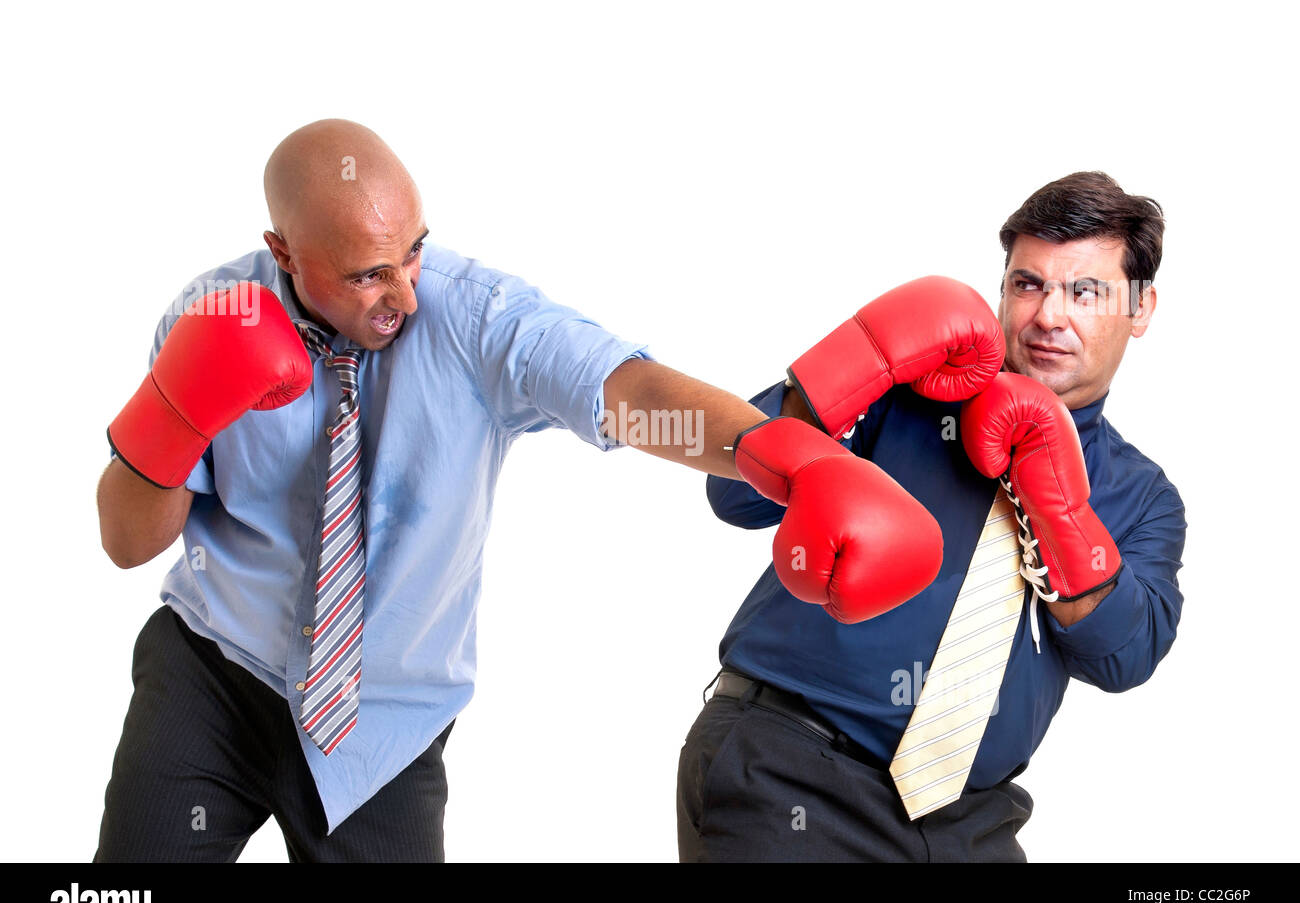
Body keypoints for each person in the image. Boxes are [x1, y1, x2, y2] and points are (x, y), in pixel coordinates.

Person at [93, 119, 975, 862]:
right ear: (283, 249)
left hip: (386, 718)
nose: (403, 292)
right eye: (367, 274)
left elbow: (634, 396)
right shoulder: (209, 318)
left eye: (414, 253)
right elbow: (127, 541)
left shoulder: (473, 316)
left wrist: (788, 456)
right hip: (212, 671)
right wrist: (181, 412)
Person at [678, 171, 1186, 862]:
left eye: (1084, 291)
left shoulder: (1142, 495)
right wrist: (858, 357)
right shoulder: (907, 390)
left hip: (970, 826)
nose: (1048, 317)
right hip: (792, 772)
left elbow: (1125, 657)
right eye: (1027, 283)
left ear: (1142, 307)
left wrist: (1057, 506)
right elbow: (733, 494)